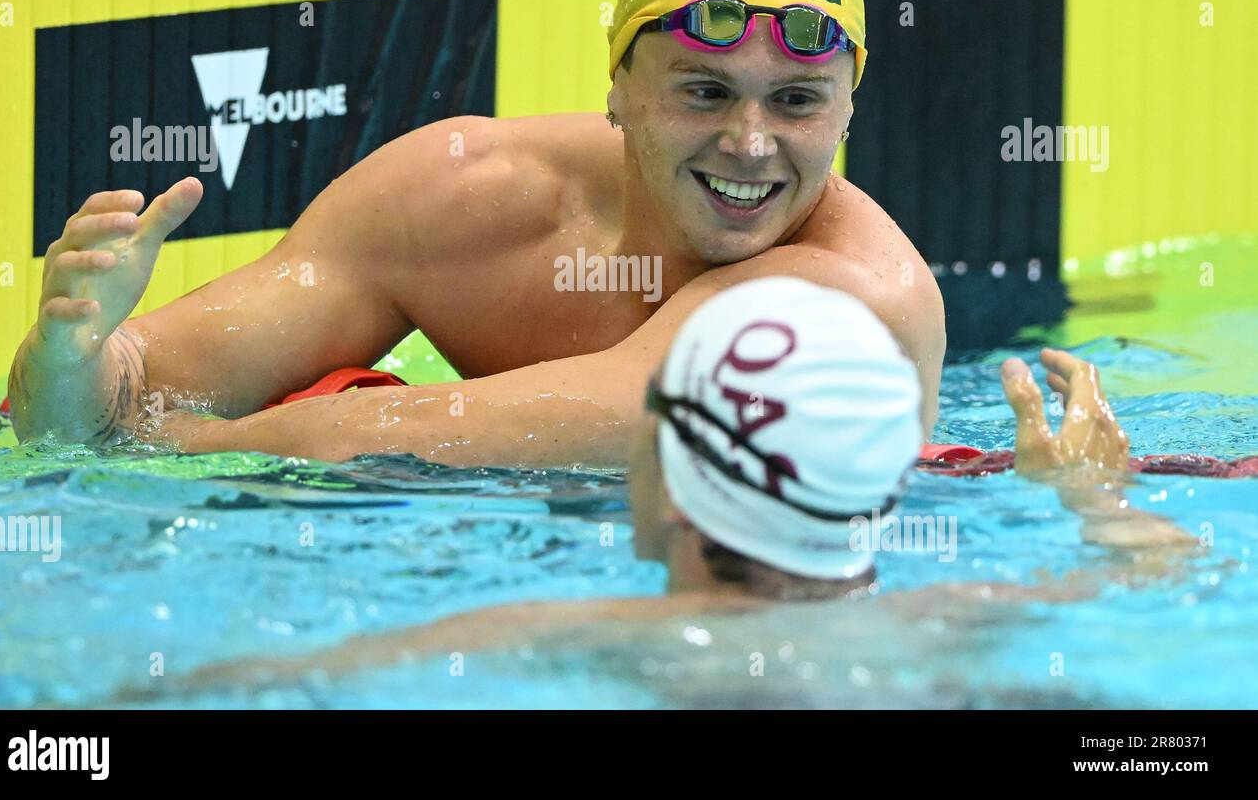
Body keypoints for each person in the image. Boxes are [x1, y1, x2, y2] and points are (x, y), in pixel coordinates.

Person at [6, 0, 944, 467]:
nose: (750, 142)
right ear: (618, 83)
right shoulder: (466, 196)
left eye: (796, 102)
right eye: (704, 93)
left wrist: (189, 446)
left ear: (848, 107)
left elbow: (445, 433)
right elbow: (113, 408)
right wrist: (70, 359)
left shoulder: (852, 301)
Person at [157, 278, 1199, 692]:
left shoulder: (562, 628)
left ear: (668, 485)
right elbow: (1163, 574)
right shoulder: (957, 619)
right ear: (882, 500)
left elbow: (253, 684)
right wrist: (1094, 500)